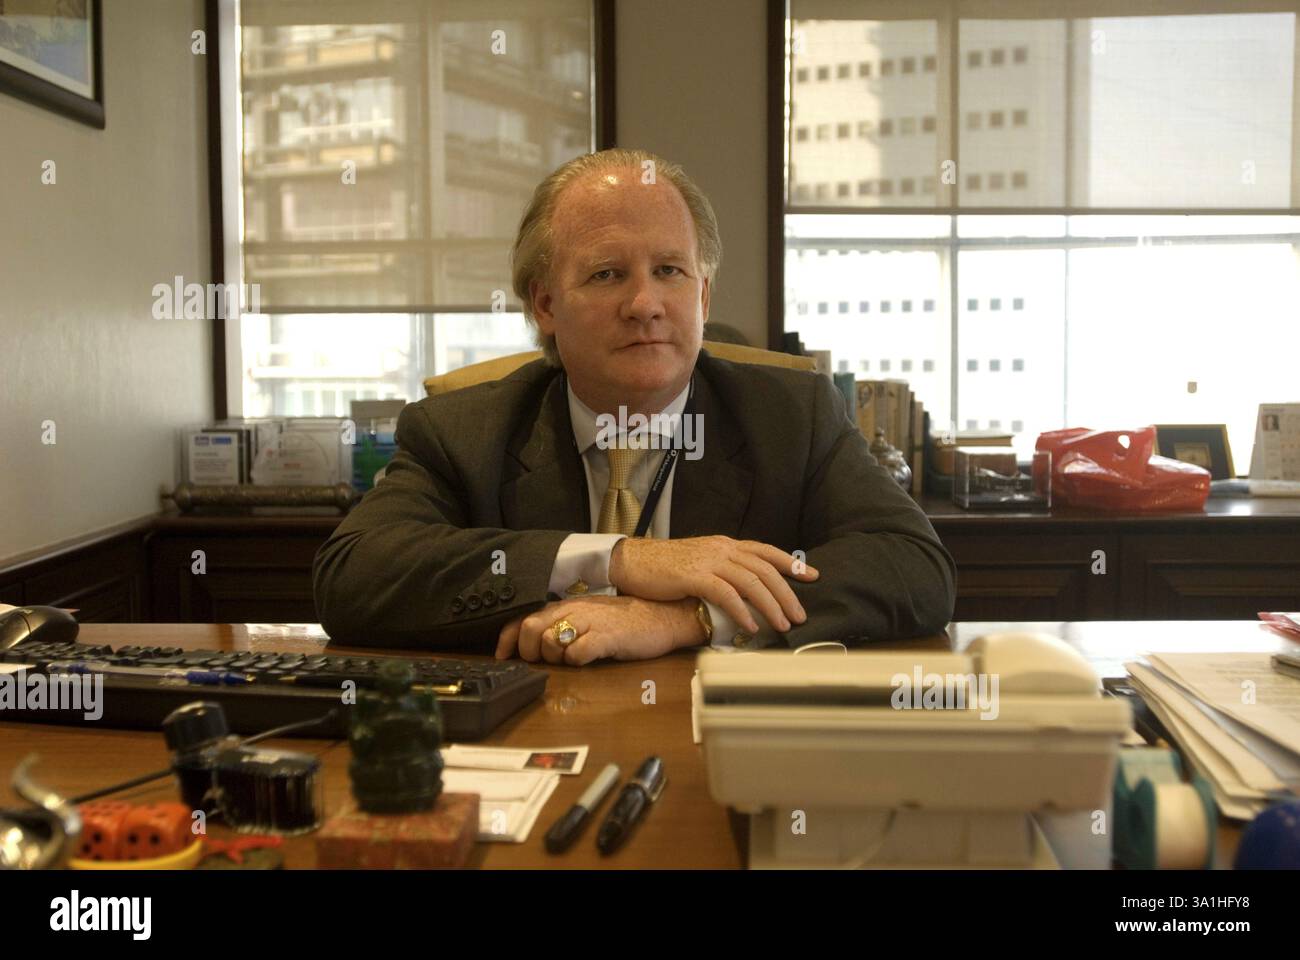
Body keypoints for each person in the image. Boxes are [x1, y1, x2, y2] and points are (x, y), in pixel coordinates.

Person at [313, 148, 956, 665]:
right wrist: (617, 558)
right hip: (534, 743)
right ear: (544, 305)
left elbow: (914, 566)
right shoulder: (460, 432)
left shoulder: (793, 418)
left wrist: (686, 616)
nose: (645, 303)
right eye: (606, 274)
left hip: (726, 750)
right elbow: (352, 577)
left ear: (703, 296)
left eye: (671, 271)